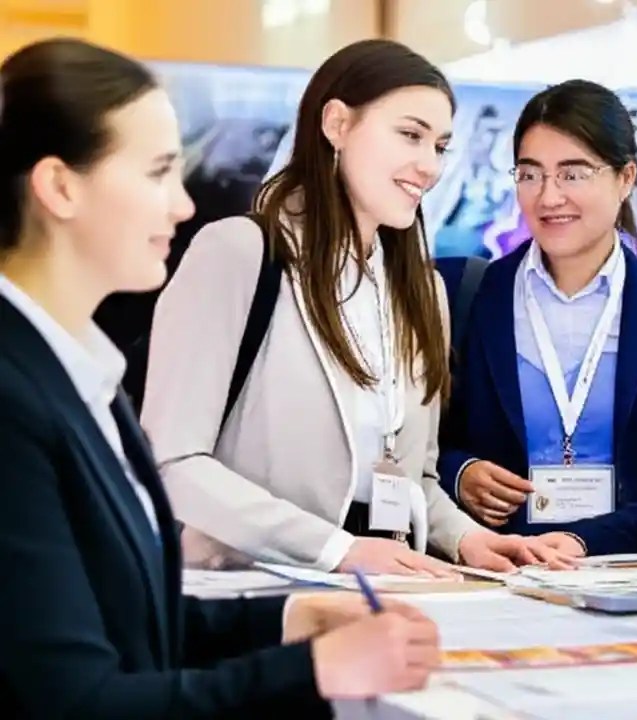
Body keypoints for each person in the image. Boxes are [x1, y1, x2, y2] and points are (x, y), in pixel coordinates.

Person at [0, 38, 441, 718]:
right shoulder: (16, 397)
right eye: (157, 173)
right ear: (60, 186)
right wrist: (310, 667)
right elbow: (73, 699)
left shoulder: (83, 377)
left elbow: (135, 619)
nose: (182, 205)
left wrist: (290, 623)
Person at [141, 39, 568, 574]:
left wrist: (467, 539)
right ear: (337, 124)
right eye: (410, 135)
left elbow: (415, 480)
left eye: (439, 145)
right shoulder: (241, 252)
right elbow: (173, 461)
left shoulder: (422, 291)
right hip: (253, 595)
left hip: (392, 588)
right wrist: (337, 550)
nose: (429, 166)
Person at [439, 79, 637, 556]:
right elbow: (422, 443)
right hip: (500, 569)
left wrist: (587, 540)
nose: (548, 196)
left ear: (626, 178)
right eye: (530, 174)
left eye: (573, 174)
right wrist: (461, 473)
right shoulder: (467, 298)